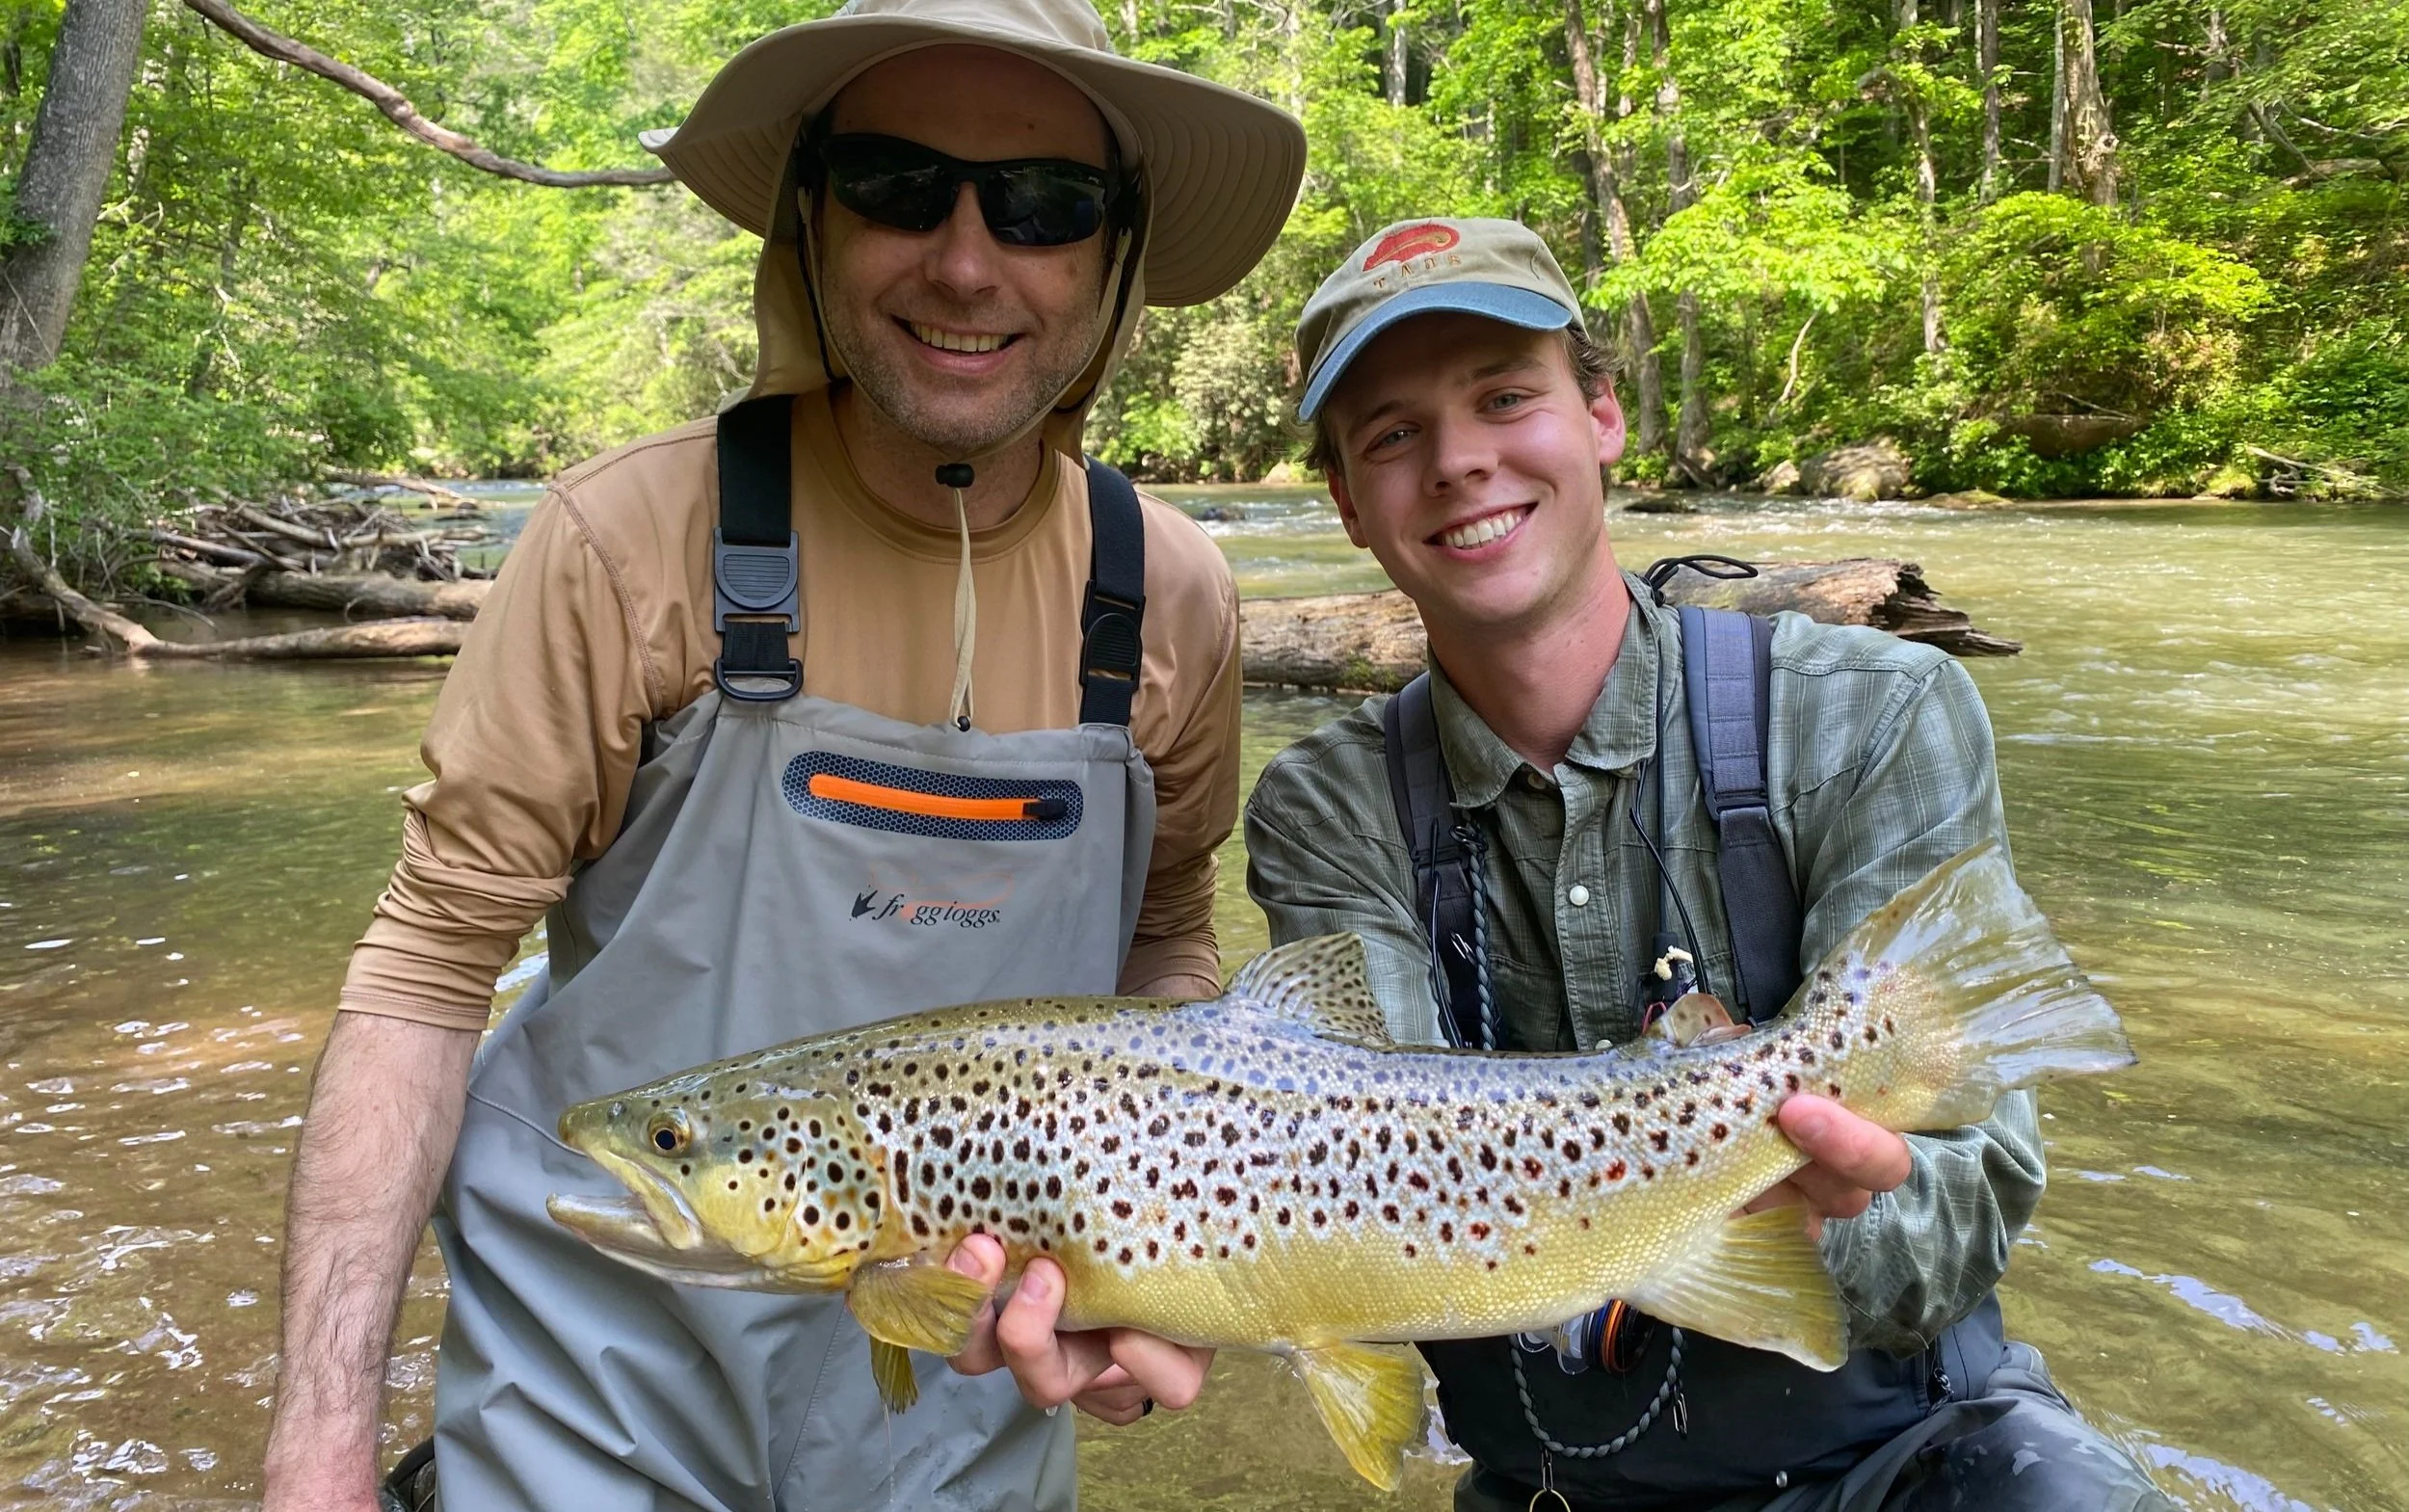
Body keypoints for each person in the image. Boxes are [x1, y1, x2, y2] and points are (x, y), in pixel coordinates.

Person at [256, 1, 1304, 1506]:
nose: (966, 261)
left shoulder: (1176, 595)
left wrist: (1160, 1263)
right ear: (811, 216)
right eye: (896, 184)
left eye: (1043, 205)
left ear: (1113, 254)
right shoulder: (624, 544)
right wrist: (319, 1451)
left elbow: (1168, 948)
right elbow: (425, 977)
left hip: (969, 1419)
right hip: (592, 1404)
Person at [1242, 217, 2175, 1511]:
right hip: (1553, 1485)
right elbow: (1388, 1193)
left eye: (1504, 398)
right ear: (1348, 502)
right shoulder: (1325, 807)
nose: (1458, 461)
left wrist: (1833, 1209)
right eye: (1394, 435)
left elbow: (1967, 1216)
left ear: (1603, 416)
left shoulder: (1877, 714)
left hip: (1903, 1460)